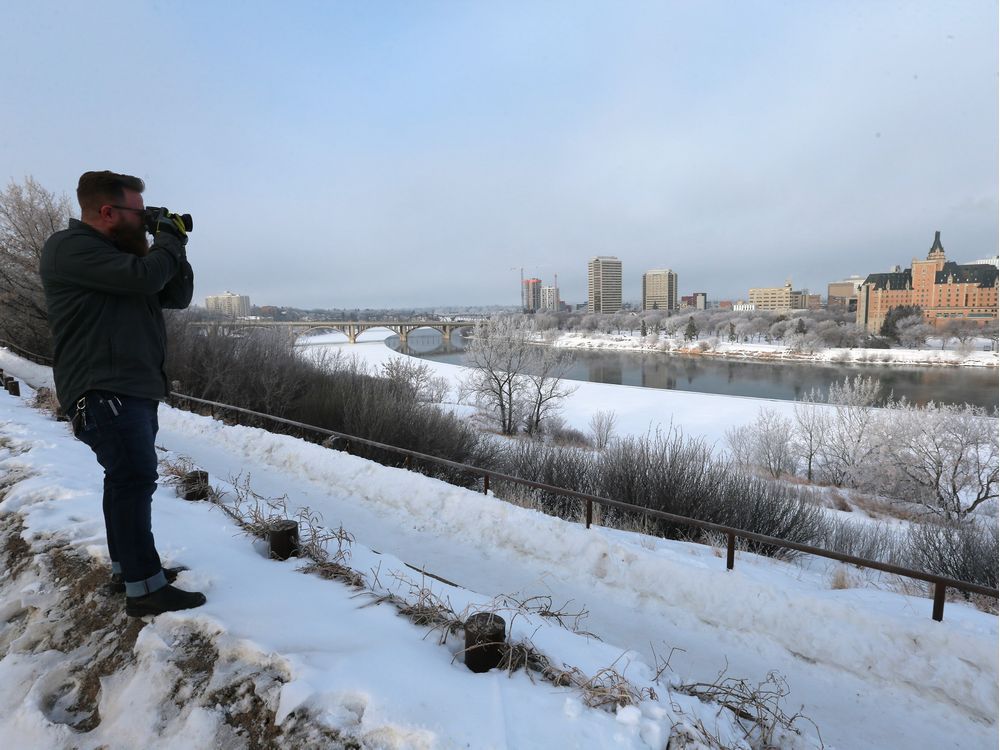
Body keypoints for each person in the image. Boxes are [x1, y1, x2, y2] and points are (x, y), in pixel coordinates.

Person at [39, 170, 206, 617]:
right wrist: (166, 241)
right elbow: (147, 278)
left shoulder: (122, 261)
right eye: (138, 212)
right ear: (108, 211)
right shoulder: (70, 248)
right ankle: (145, 590)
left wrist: (174, 244)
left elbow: (176, 294)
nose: (144, 221)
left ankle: (129, 571)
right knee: (133, 481)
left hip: (129, 388)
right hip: (103, 389)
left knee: (125, 482)